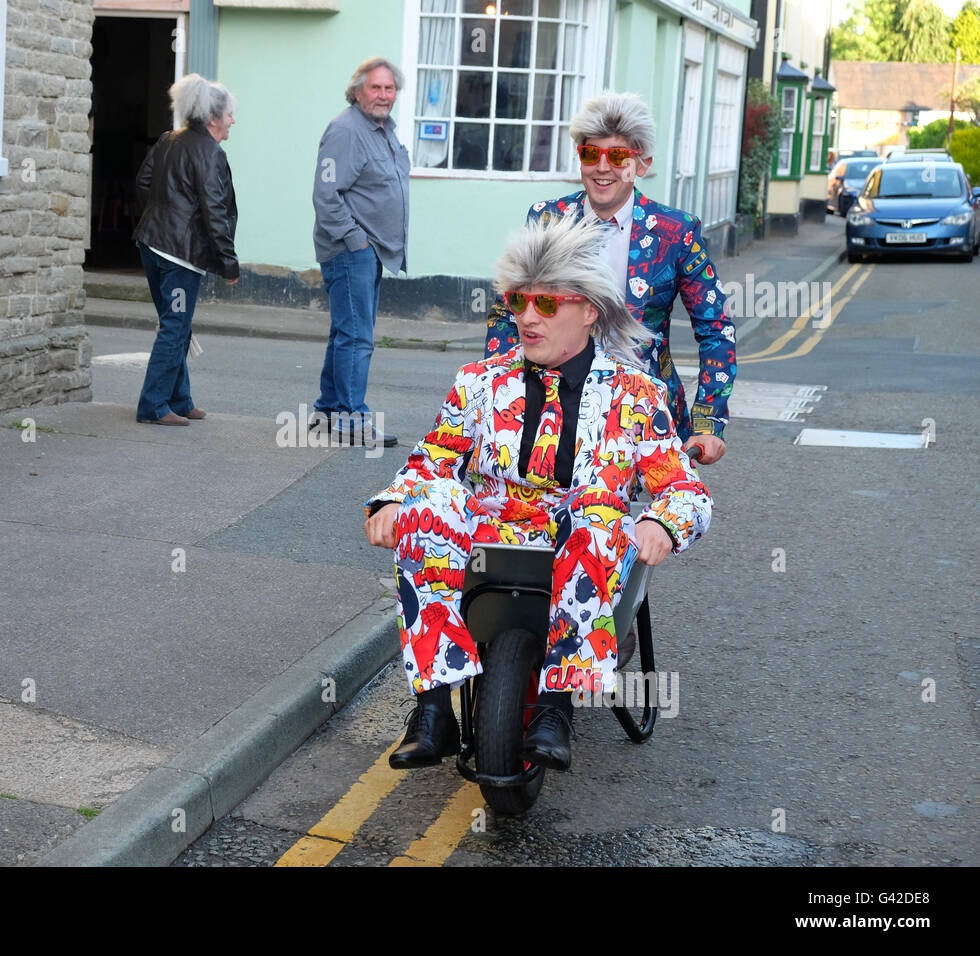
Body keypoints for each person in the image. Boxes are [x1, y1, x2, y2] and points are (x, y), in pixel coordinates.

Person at [365, 217, 711, 771]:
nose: (526, 317)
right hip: (492, 539)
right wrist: (391, 503)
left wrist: (662, 522)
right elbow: (433, 459)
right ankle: (433, 711)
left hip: (585, 542)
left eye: (547, 305)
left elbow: (685, 488)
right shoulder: (479, 383)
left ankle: (555, 709)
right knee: (426, 504)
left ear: (589, 310)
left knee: (597, 511)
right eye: (519, 301)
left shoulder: (636, 394)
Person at [483, 91, 735, 465]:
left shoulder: (675, 231)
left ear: (642, 164)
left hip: (639, 411)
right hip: (553, 404)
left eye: (618, 156)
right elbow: (507, 313)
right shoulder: (547, 218)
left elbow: (716, 328)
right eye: (591, 154)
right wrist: (499, 391)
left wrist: (708, 421)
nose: (603, 168)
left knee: (629, 521)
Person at [311, 57, 411, 448]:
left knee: (345, 332)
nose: (384, 95)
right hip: (351, 249)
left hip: (371, 249)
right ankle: (353, 422)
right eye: (376, 88)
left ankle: (327, 412)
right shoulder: (345, 130)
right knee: (357, 337)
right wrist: (357, 240)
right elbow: (325, 193)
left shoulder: (383, 129)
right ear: (357, 91)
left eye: (390, 89)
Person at [132, 74, 239, 426]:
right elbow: (215, 211)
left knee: (174, 324)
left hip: (152, 245)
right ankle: (153, 406)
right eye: (229, 115)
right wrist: (229, 263)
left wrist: (163, 217)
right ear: (212, 117)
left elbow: (144, 183)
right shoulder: (210, 153)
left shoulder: (167, 140)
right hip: (179, 257)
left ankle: (179, 399)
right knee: (176, 327)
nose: (232, 121)